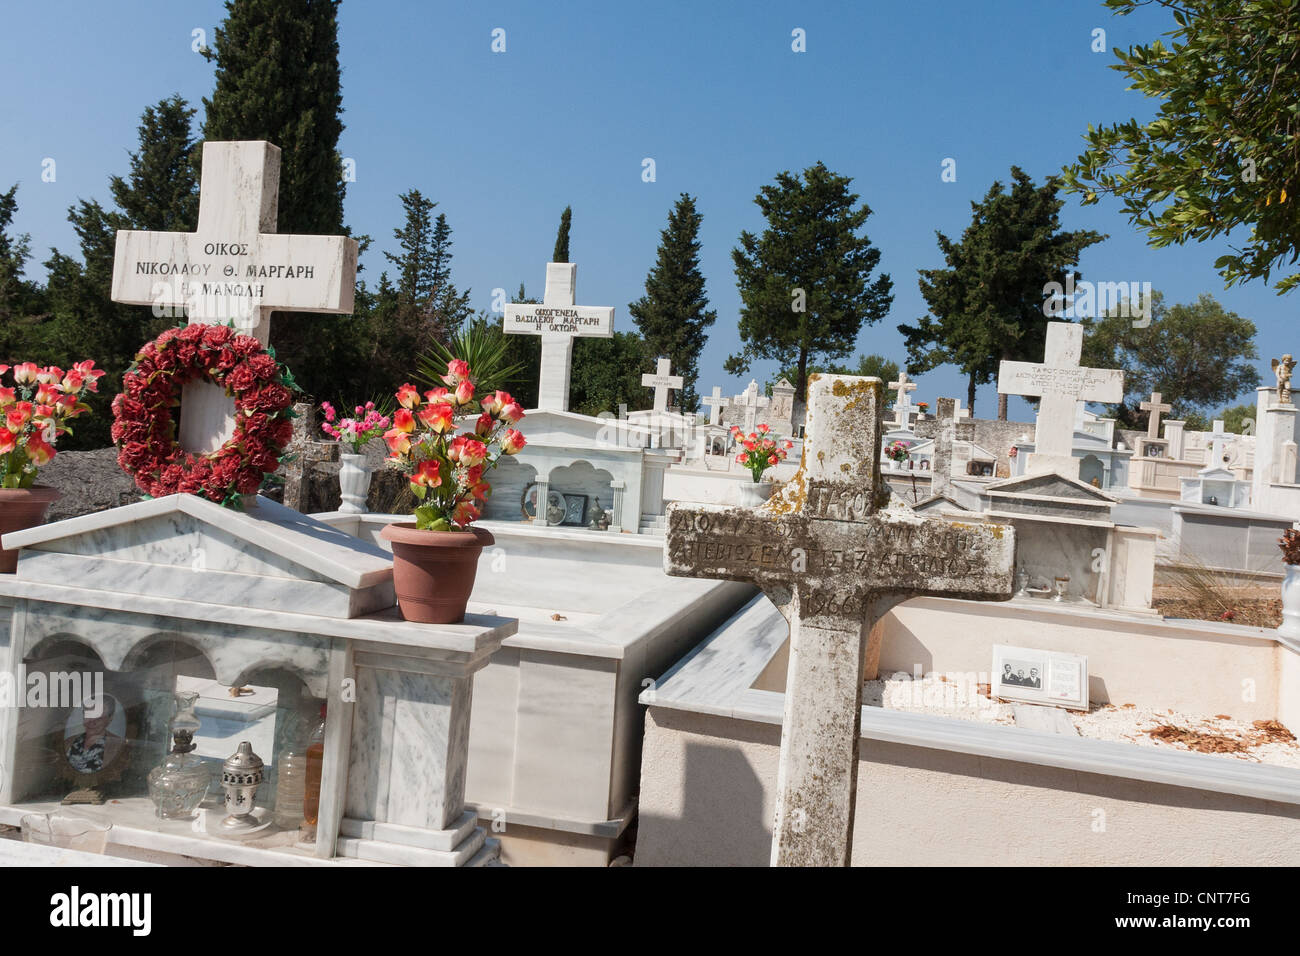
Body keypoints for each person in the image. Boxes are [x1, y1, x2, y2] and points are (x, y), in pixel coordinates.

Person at [65, 695, 123, 774]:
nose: (92, 722)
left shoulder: (118, 745)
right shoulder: (69, 742)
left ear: (110, 718)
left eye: (99, 717)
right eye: (89, 715)